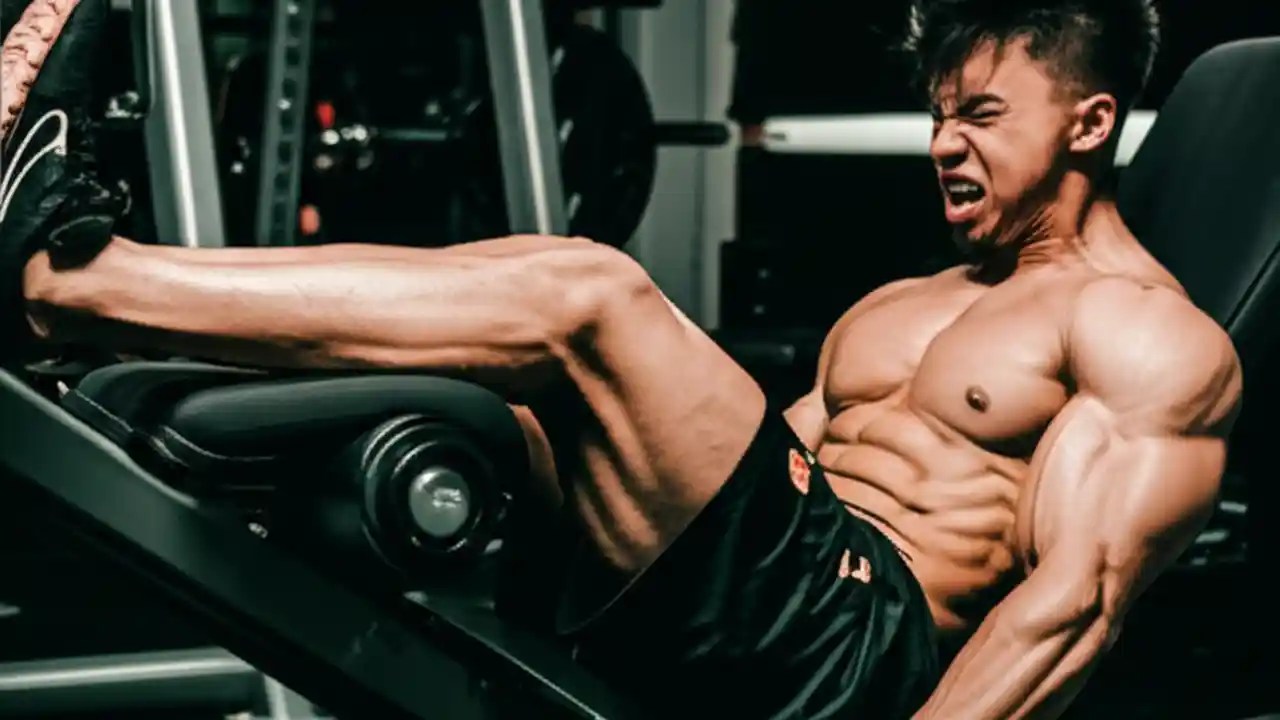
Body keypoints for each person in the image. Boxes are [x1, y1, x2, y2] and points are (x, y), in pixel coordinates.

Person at [1, 0, 1244, 718]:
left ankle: (72, 279)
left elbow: (1068, 608)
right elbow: (762, 487)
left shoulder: (1139, 329)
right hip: (752, 608)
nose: (940, 146)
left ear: (1087, 123)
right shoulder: (906, 301)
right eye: (934, 117)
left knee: (589, 290)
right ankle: (109, 371)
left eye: (978, 117)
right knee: (516, 357)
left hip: (859, 662)